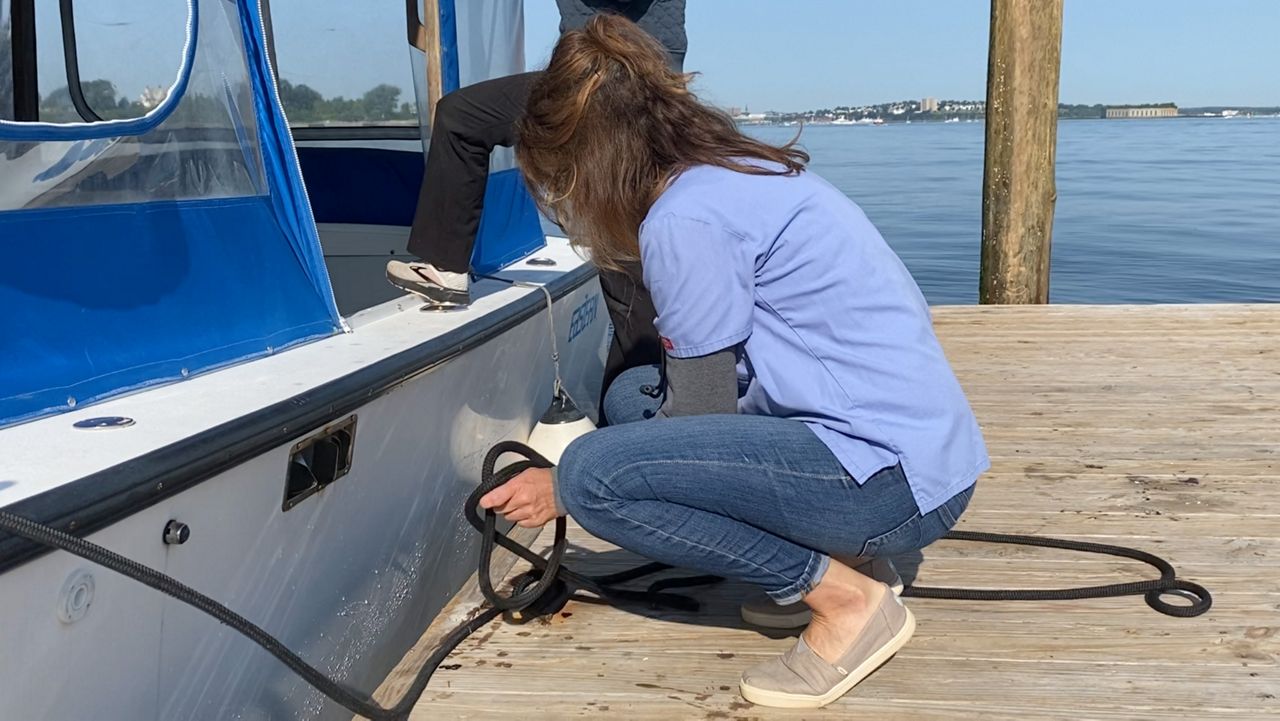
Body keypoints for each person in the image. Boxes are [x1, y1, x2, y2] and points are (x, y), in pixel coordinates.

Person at [478, 15, 990, 710]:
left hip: (888, 483)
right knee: (631, 397)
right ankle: (857, 559)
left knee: (594, 476)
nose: (570, 207)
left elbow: (700, 413)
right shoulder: (733, 173)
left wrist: (562, 488)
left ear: (591, 161)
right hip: (918, 455)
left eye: (563, 184)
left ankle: (847, 600)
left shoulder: (682, 223)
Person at [386, 0, 687, 406]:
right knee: (627, 272)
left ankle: (649, 421)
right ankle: (644, 415)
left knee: (628, 273)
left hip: (620, 74)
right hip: (597, 70)